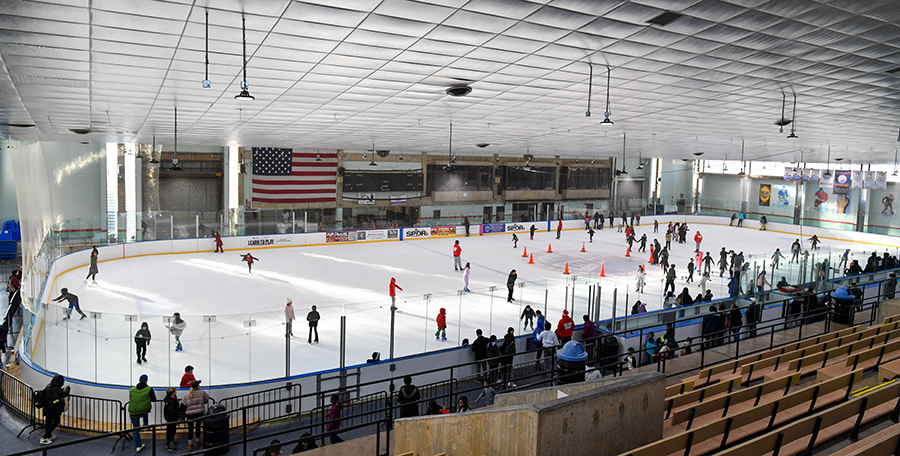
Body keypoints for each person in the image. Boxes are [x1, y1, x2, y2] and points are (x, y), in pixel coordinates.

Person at [128, 374, 157, 453]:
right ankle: (145, 425)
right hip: (143, 410)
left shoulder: (132, 390)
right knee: (145, 412)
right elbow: (154, 399)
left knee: (135, 429)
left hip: (133, 411)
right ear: (146, 381)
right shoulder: (149, 389)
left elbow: (131, 398)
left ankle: (138, 446)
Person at [38, 374, 70, 445]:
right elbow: (64, 394)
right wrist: (68, 389)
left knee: (48, 422)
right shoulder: (57, 389)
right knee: (56, 421)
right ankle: (44, 438)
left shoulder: (48, 386)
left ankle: (49, 436)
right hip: (54, 410)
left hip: (47, 408)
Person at [181, 380, 210, 451]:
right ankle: (197, 442)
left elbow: (183, 405)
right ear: (198, 386)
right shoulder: (202, 393)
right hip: (199, 413)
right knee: (198, 427)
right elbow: (206, 400)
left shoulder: (187, 395)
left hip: (190, 414)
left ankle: (190, 444)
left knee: (190, 429)